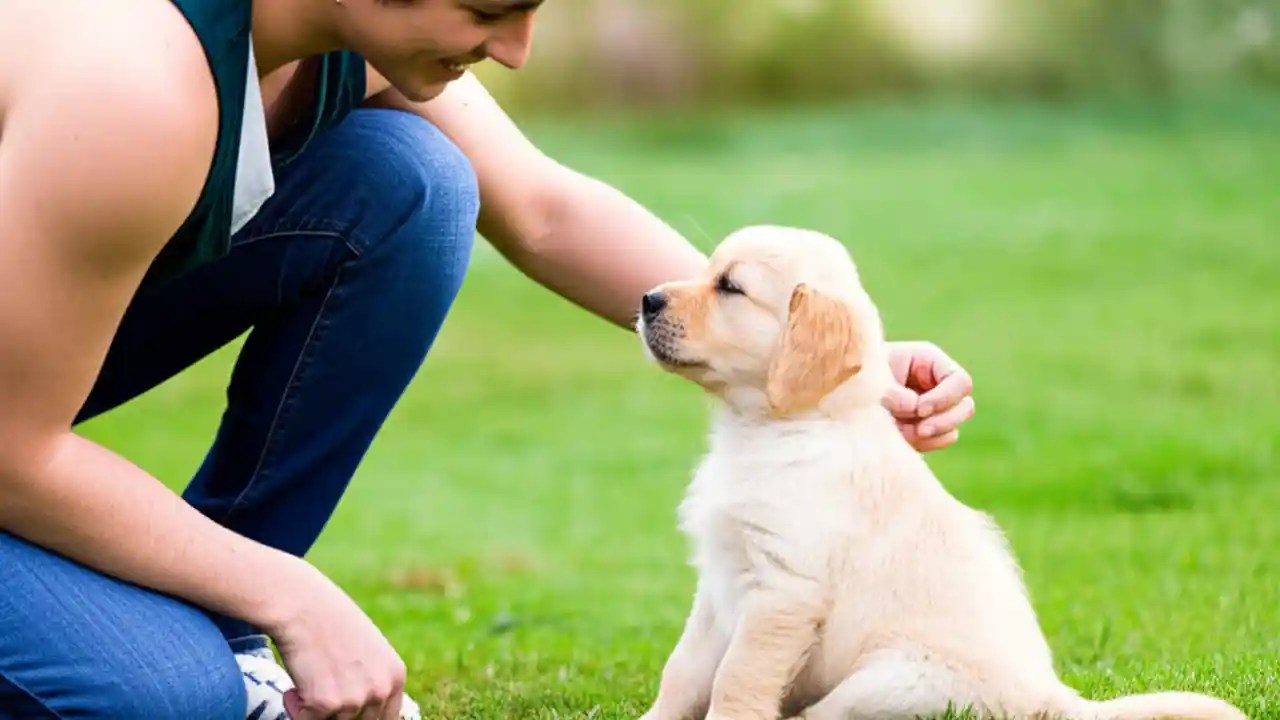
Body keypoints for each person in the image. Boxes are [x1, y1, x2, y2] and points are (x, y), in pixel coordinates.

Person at [0, 0, 977, 717]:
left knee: (412, 184)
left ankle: (214, 639)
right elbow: (11, 451)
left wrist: (826, 358)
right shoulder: (135, 87)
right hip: (9, 435)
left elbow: (546, 213)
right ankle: (210, 644)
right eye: (487, 11)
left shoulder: (321, 44)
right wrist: (284, 588)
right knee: (166, 700)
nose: (512, 52)